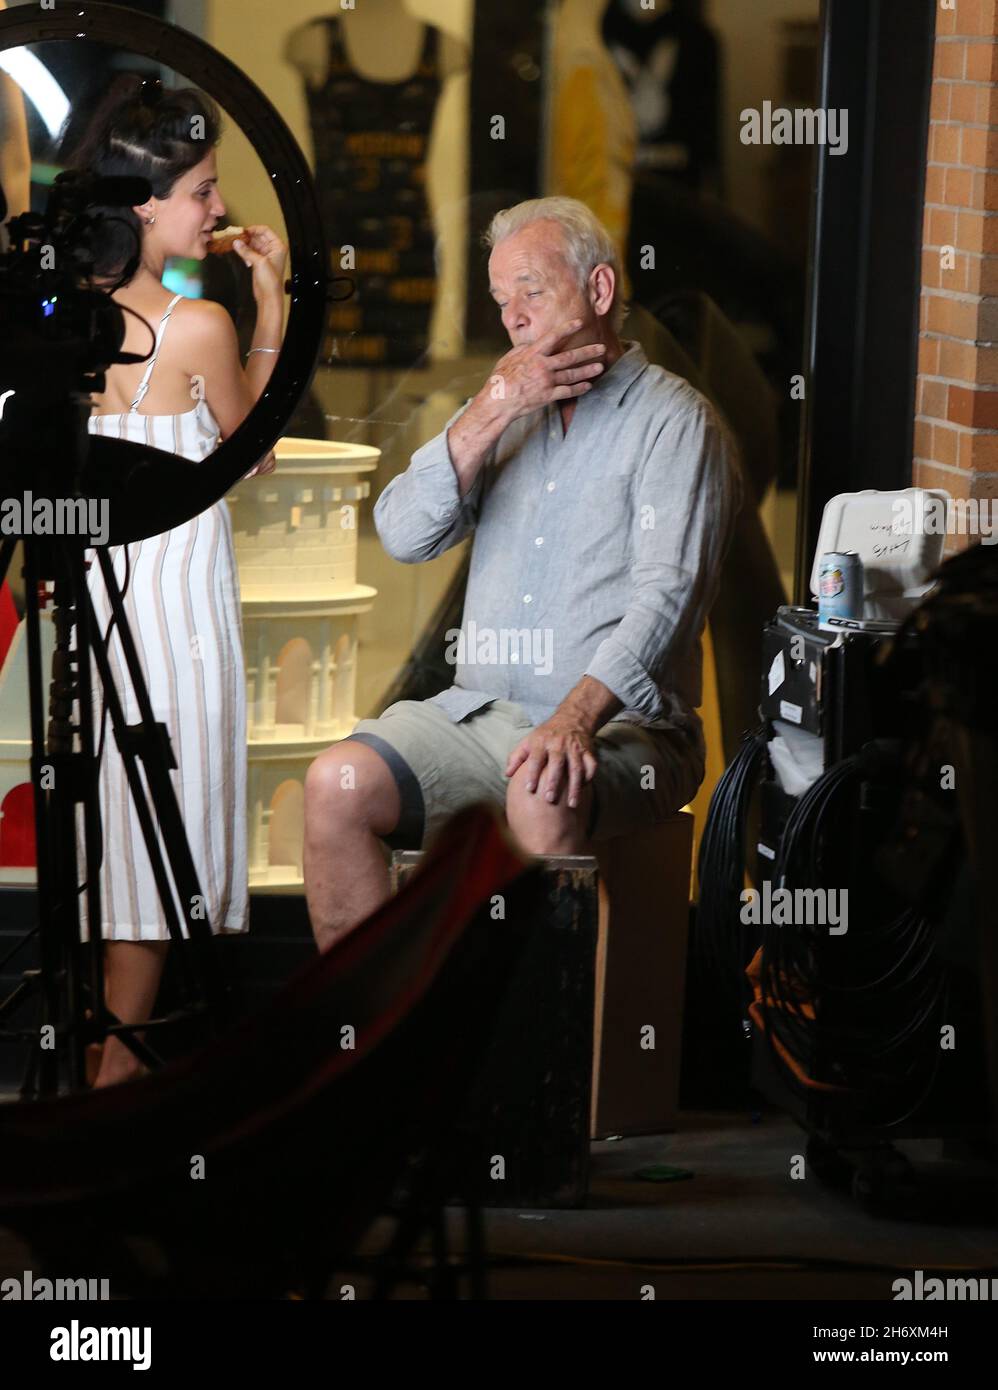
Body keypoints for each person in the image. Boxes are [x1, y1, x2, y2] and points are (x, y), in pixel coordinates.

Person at [303, 194, 742, 951]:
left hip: (625, 731)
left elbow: (668, 596)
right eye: (502, 300)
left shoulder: (677, 422)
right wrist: (489, 410)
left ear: (599, 292)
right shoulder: (505, 403)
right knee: (335, 788)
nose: (513, 317)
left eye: (531, 291)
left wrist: (573, 719)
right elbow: (403, 533)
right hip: (482, 717)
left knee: (542, 787)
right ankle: (383, 1043)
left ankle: (533, 1062)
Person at [70, 75, 287, 1086]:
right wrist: (273, 299)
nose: (219, 209)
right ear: (145, 203)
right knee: (166, 865)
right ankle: (117, 1108)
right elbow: (258, 454)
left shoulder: (65, 324)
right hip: (178, 623)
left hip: (98, 617)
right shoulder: (196, 329)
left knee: (114, 858)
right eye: (202, 189)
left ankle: (103, 1099)